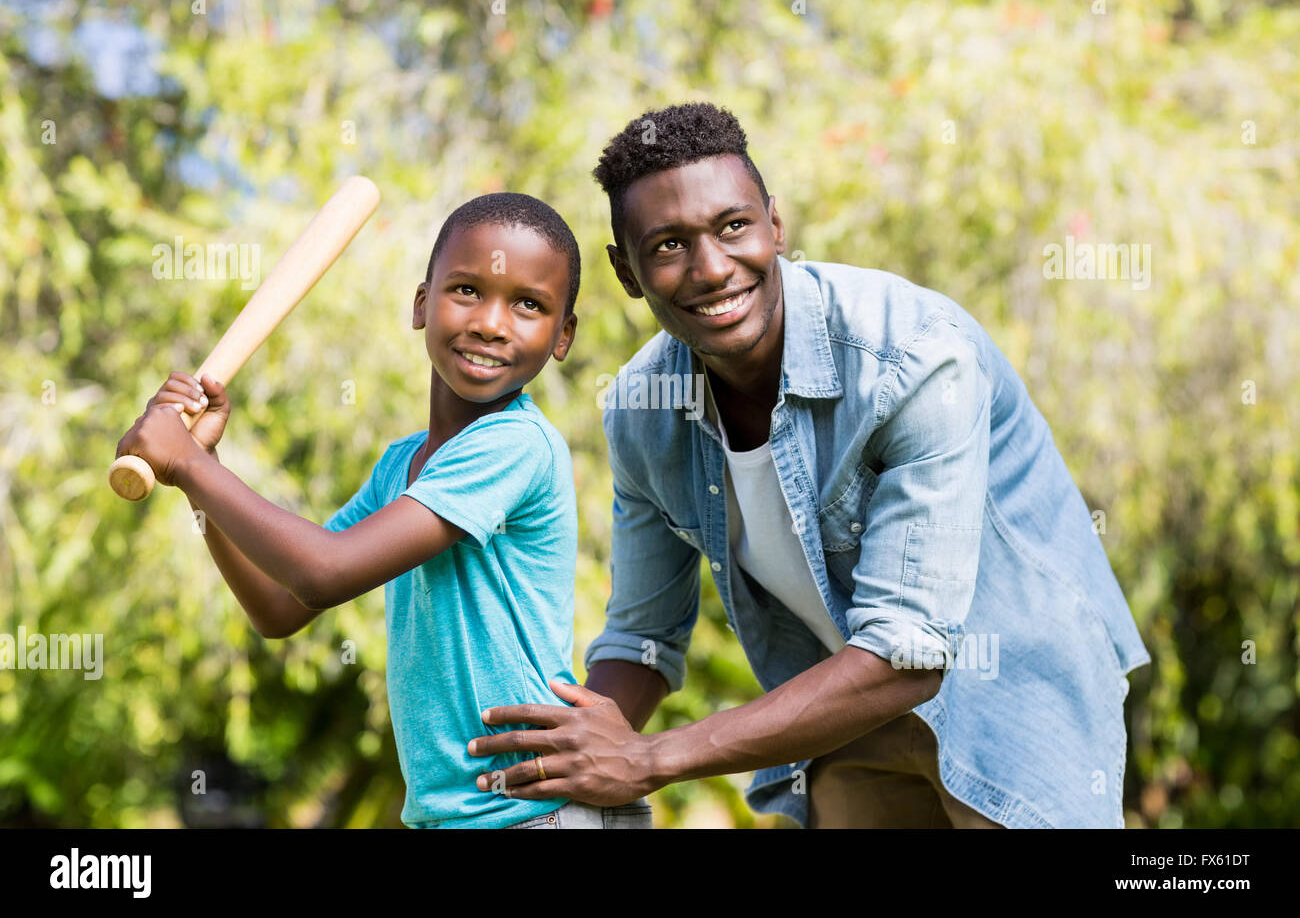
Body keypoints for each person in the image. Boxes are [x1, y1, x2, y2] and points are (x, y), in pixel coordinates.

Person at [469, 104, 1151, 829]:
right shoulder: (643, 409)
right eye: (668, 245)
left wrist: (648, 758)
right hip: (844, 717)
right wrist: (565, 756)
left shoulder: (913, 355)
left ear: (775, 226)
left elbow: (909, 652)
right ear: (626, 272)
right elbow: (644, 638)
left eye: (733, 227)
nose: (711, 268)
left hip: (1012, 694)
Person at [115, 192, 651, 829]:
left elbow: (324, 570)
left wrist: (188, 465)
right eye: (466, 290)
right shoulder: (402, 466)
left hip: (530, 813)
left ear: (562, 337)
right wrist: (203, 474)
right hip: (455, 817)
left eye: (528, 305)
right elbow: (281, 605)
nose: (491, 323)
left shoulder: (517, 447)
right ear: (422, 303)